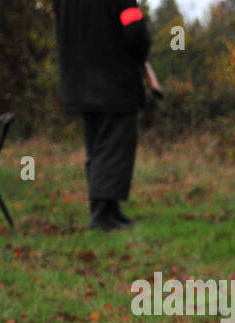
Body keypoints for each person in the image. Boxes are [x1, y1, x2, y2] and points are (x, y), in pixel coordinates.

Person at [52, 0, 150, 231]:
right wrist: (142, 50)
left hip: (77, 81)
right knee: (115, 149)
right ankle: (102, 215)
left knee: (96, 148)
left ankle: (107, 208)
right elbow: (133, 27)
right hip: (114, 82)